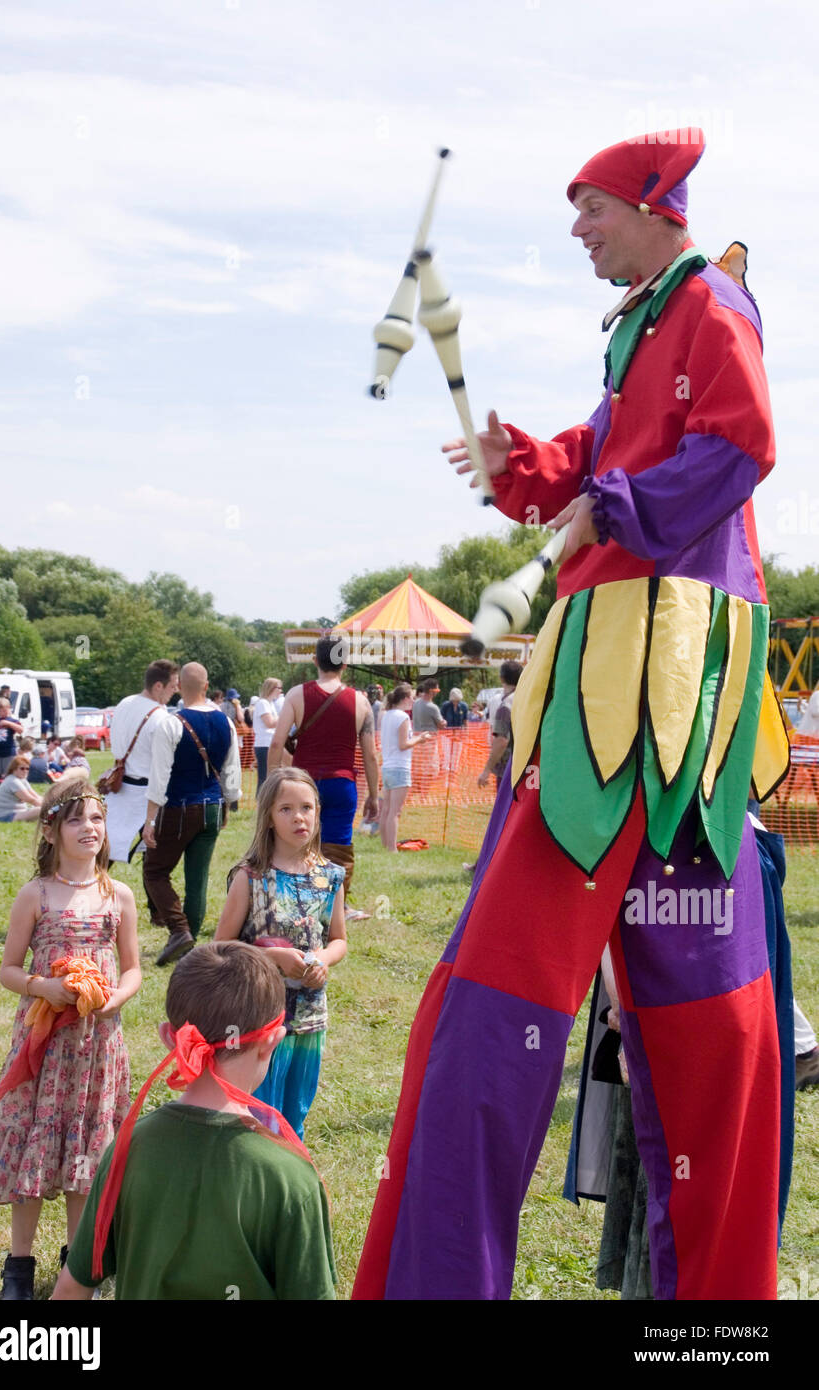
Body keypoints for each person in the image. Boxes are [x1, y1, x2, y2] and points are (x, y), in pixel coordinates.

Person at [353, 128, 790, 1301]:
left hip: (660, 695)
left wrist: (611, 503)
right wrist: (529, 466)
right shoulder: (644, 325)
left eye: (591, 206)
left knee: (700, 1033)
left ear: (657, 203)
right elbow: (603, 451)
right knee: (523, 1015)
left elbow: (743, 443)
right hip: (616, 681)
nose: (578, 228)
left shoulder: (714, 304)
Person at [52, 941, 336, 1301]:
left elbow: (71, 1288)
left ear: (169, 1039)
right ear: (272, 1041)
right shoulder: (290, 1176)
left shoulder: (129, 1147)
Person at [0, 779, 140, 1300]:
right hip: (43, 1046)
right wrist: (41, 985)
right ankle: (17, 1269)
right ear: (50, 831)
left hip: (97, 1046)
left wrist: (113, 998)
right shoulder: (37, 894)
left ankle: (80, 1267)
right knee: (33, 1142)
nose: (89, 829)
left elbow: (134, 970)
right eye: (76, 820)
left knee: (85, 1158)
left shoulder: (119, 895)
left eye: (96, 819)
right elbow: (8, 968)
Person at [215, 768, 346, 1140]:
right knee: (258, 1112)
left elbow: (339, 939)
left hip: (308, 1016)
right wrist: (273, 958)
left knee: (294, 1113)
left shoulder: (330, 877)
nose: (298, 817)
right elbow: (220, 946)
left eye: (306, 807)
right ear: (269, 818)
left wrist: (322, 959)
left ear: (318, 812)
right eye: (286, 809)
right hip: (259, 1015)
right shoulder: (250, 877)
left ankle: (288, 1179)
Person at [268, 635, 379, 916]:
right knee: (338, 847)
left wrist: (270, 783)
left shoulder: (296, 694)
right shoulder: (361, 702)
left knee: (295, 840)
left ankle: (292, 899)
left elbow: (277, 743)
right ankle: (337, 906)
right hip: (342, 783)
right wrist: (375, 796)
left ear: (315, 660)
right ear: (344, 663)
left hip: (302, 785)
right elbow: (370, 754)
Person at [143, 661, 241, 966]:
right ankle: (191, 942)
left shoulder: (170, 723)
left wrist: (150, 819)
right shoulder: (227, 723)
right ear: (206, 685)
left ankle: (180, 930)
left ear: (179, 686)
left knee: (155, 870)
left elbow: (159, 778)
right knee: (197, 878)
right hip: (213, 807)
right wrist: (228, 803)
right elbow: (232, 772)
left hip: (178, 808)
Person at [102, 659, 179, 864]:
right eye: (172, 686)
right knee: (153, 864)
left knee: (106, 851)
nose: (175, 691)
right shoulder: (161, 717)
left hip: (118, 786)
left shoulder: (124, 703)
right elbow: (163, 766)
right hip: (145, 793)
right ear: (158, 686)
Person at [378, 683, 432, 851]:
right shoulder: (403, 717)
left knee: (386, 810)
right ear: (406, 698)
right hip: (399, 767)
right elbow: (403, 744)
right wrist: (420, 739)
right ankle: (392, 849)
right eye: (412, 697)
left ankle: (386, 845)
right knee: (394, 811)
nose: (414, 700)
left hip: (387, 767)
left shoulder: (386, 715)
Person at [477, 661, 523, 790]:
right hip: (528, 764)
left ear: (501, 678)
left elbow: (502, 740)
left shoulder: (506, 706)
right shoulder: (527, 699)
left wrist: (486, 771)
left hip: (508, 768)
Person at [0, 753, 43, 822]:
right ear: (14, 769)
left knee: (41, 808)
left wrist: (49, 803)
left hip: (19, 812)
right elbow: (31, 800)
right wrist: (49, 808)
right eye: (22, 768)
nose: (25, 771)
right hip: (5, 816)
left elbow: (36, 796)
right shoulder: (13, 781)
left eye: (27, 768)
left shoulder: (22, 780)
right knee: (40, 810)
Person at [252, 678, 282, 793]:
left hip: (268, 743)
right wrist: (285, 716)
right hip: (264, 744)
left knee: (270, 776)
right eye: (278, 688)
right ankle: (261, 801)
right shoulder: (263, 703)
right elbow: (269, 723)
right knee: (264, 777)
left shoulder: (269, 704)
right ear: (271, 688)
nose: (280, 691)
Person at [0, 697, 23, 779]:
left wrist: (8, 724)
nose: (2, 712)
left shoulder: (12, 720)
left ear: (9, 708)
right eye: (0, 710)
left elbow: (21, 730)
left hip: (8, 752)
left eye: (5, 710)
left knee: (8, 775)